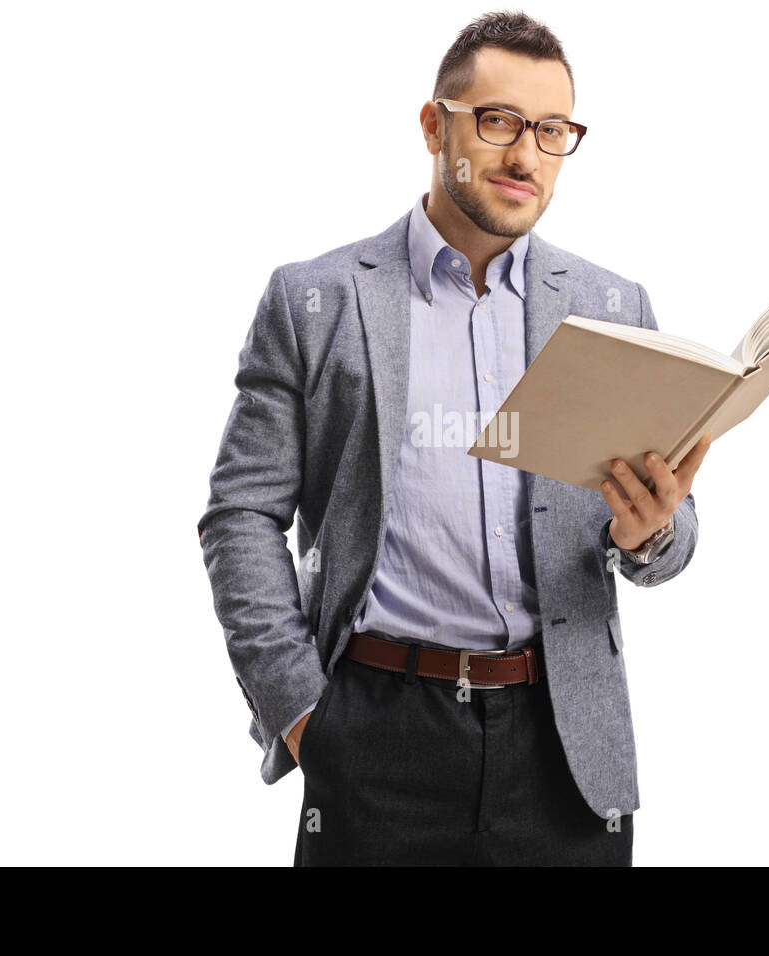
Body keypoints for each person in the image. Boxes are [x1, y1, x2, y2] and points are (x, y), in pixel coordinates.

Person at [197, 10, 712, 867]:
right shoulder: (314, 300)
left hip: (566, 747)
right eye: (499, 121)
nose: (525, 156)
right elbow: (240, 516)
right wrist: (301, 715)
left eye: (553, 131)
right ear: (437, 126)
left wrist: (651, 531)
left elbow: (674, 538)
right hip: (373, 731)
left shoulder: (614, 309)